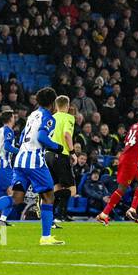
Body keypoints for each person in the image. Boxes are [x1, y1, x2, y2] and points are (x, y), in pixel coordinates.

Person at [12, 87, 65, 245]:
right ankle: (46, 237)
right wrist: (57, 147)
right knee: (49, 196)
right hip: (34, 160)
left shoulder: (33, 114)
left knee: (17, 198)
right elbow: (42, 137)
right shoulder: (49, 117)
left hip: (21, 157)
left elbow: (22, 136)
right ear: (52, 103)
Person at [49, 94, 77, 223]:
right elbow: (67, 134)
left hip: (48, 155)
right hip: (61, 155)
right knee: (71, 190)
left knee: (58, 186)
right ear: (67, 105)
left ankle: (57, 215)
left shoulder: (51, 118)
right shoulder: (69, 118)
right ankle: (59, 214)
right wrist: (72, 152)